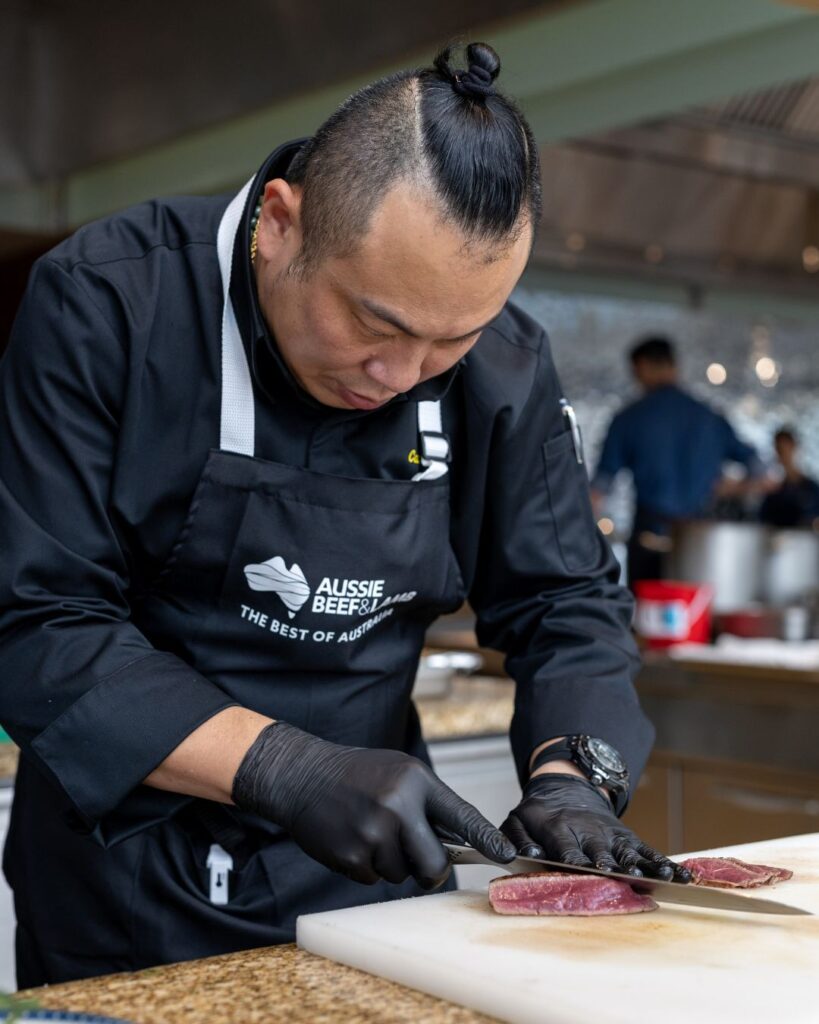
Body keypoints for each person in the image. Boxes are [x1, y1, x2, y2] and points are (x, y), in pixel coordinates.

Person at [0, 43, 685, 987]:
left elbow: (564, 599)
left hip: (374, 881)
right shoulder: (110, 303)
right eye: (376, 326)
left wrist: (574, 779)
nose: (402, 377)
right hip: (122, 888)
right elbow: (39, 620)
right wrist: (289, 769)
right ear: (280, 223)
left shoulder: (503, 368)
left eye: (454, 338)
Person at [591, 336, 762, 584]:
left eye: (636, 371)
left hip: (649, 536)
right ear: (674, 366)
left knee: (648, 612)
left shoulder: (630, 418)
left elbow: (601, 486)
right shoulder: (709, 417)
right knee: (696, 612)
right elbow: (760, 469)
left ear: (644, 367)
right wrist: (731, 488)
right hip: (700, 539)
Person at [759, 428, 819, 529]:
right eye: (779, 450)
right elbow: (765, 524)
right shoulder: (773, 494)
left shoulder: (812, 490)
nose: (784, 454)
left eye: (786, 448)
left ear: (794, 447)